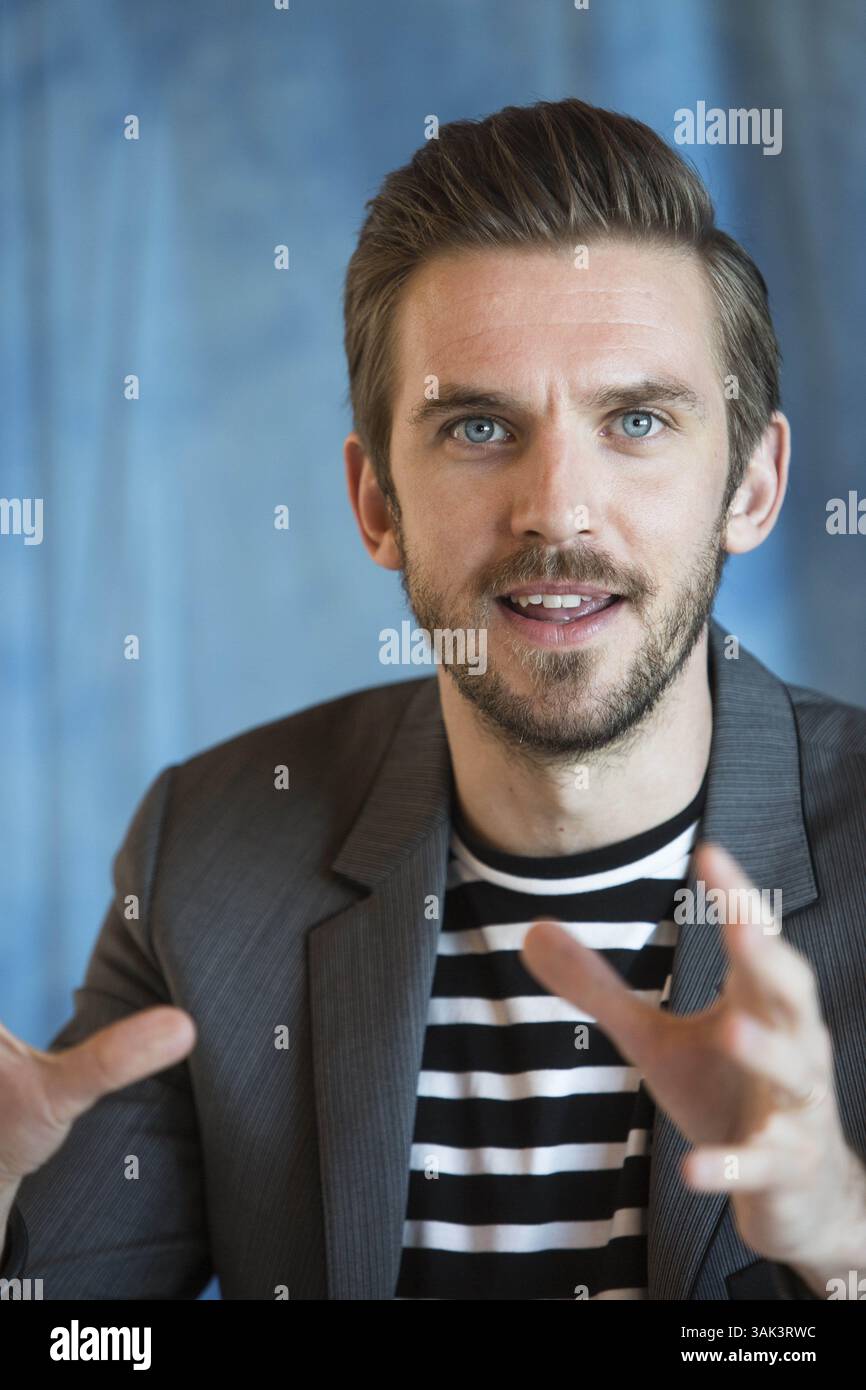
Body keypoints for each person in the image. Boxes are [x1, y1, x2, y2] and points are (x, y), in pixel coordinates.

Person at [2, 97, 865, 1302]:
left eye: (635, 420)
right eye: (476, 425)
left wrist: (841, 1245)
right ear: (374, 505)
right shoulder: (205, 857)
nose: (556, 510)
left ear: (753, 486)